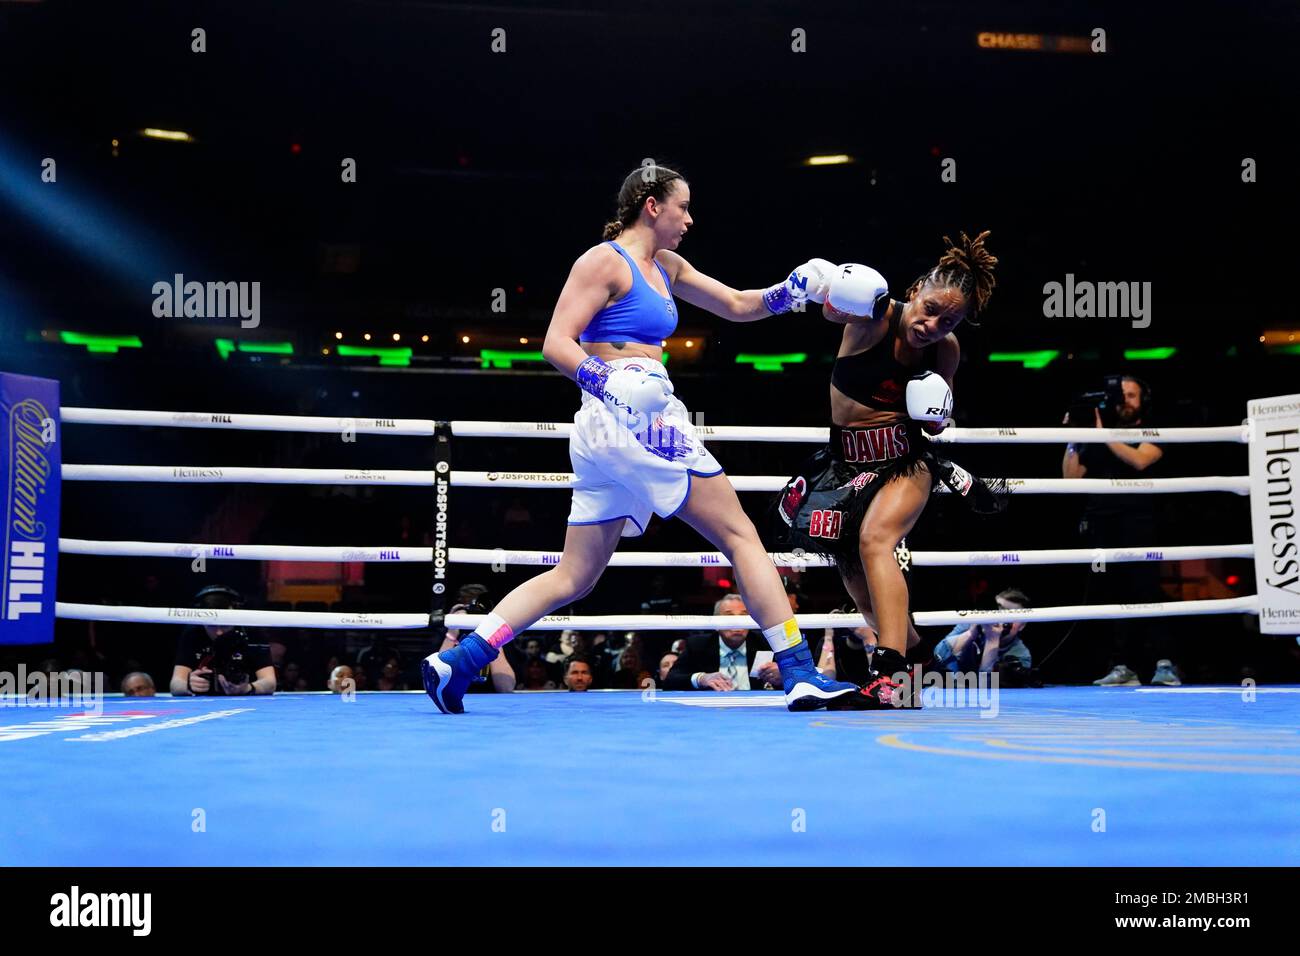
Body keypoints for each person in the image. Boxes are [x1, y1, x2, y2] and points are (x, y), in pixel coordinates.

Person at [422, 164, 863, 714]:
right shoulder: (603, 260)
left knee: (574, 575)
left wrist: (790, 290)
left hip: (615, 426)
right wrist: (612, 384)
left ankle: (457, 662)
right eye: (683, 206)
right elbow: (555, 344)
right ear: (652, 205)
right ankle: (799, 671)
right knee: (740, 535)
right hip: (631, 419)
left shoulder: (667, 266)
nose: (690, 218)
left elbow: (735, 305)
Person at [769, 232, 1002, 707]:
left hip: (905, 459)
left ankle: (890, 672)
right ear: (915, 289)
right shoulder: (874, 313)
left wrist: (936, 414)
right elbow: (833, 308)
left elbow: (937, 423)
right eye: (932, 308)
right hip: (846, 463)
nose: (934, 324)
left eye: (949, 319)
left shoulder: (947, 350)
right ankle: (922, 663)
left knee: (878, 541)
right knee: (856, 575)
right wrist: (821, 284)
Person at [1062, 376, 1179, 686]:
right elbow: (1071, 479)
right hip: (1102, 522)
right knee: (1112, 593)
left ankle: (1164, 662)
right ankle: (1123, 665)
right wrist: (1074, 438)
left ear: (1143, 400)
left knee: (1146, 590)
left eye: (1132, 395)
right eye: (1121, 395)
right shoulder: (1100, 436)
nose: (1126, 400)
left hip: (1140, 520)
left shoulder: (1152, 428)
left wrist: (1103, 436)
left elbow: (1141, 460)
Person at [169, 585, 276, 696]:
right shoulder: (192, 633)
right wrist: (188, 685)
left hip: (247, 701)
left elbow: (269, 682)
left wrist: (249, 688)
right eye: (212, 626)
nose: (219, 632)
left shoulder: (253, 632)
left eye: (225, 625)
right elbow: (175, 684)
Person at [663, 594, 782, 691]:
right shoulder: (698, 645)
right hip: (712, 712)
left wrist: (783, 675)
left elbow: (795, 677)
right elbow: (670, 680)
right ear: (716, 623)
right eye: (729, 616)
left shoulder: (766, 642)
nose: (737, 622)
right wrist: (701, 678)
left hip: (758, 711)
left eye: (743, 616)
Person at [931, 587, 1035, 685]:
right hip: (948, 691)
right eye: (998, 609)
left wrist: (992, 640)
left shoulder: (1022, 656)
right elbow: (938, 655)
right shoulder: (971, 623)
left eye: (1010, 614)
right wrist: (970, 634)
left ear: (1022, 625)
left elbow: (986, 686)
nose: (1001, 617)